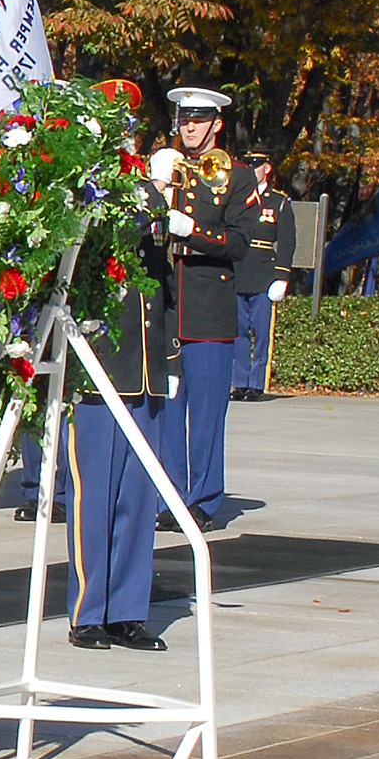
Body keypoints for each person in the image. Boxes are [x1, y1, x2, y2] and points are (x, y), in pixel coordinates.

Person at [65, 79, 177, 651]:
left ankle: (129, 608)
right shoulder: (85, 189)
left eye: (130, 128)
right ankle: (89, 608)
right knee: (95, 494)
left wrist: (172, 355)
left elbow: (163, 283)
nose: (125, 139)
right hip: (101, 365)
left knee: (138, 495)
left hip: (146, 366)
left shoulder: (149, 195)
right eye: (117, 129)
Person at [149, 87, 256, 533]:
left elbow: (239, 244)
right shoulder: (165, 167)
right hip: (167, 305)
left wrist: (190, 231)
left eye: (197, 120)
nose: (188, 128)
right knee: (168, 410)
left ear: (216, 124)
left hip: (210, 306)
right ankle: (169, 495)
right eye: (184, 119)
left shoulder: (237, 177)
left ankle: (205, 499)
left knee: (207, 412)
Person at [230, 149, 295, 401]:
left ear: (267, 168)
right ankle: (240, 383)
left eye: (255, 165)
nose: (250, 170)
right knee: (238, 331)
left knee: (260, 332)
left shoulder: (278, 201)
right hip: (239, 269)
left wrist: (283, 276)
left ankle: (257, 383)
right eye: (247, 165)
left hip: (263, 274)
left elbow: (287, 241)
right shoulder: (238, 199)